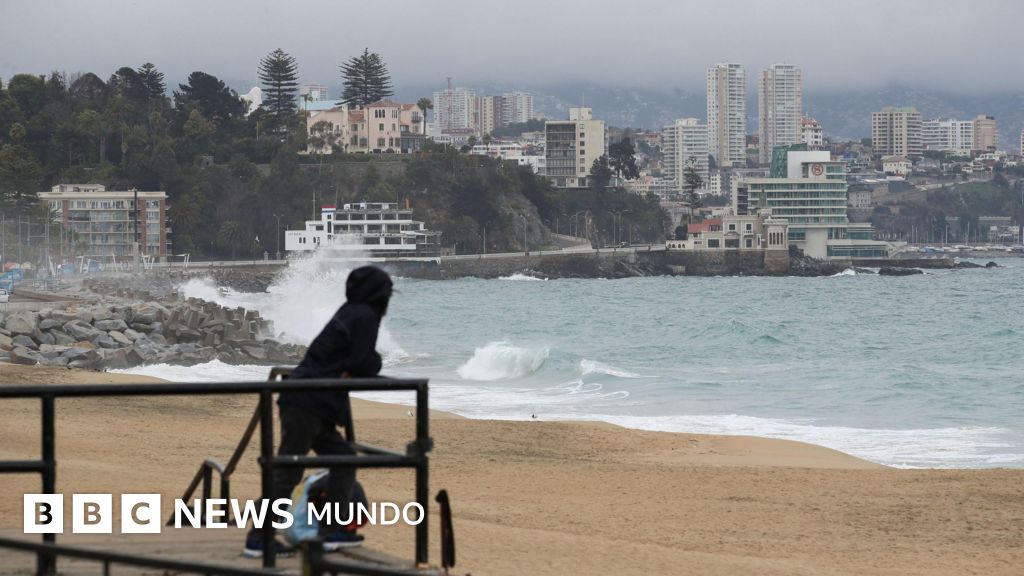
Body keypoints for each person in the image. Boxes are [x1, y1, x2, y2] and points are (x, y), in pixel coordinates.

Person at [244, 265, 394, 558]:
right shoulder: (365, 315)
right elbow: (362, 361)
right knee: (288, 473)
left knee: (344, 458)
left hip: (309, 400)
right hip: (309, 401)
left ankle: (331, 530)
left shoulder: (350, 310)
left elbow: (351, 361)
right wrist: (371, 364)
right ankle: (259, 538)